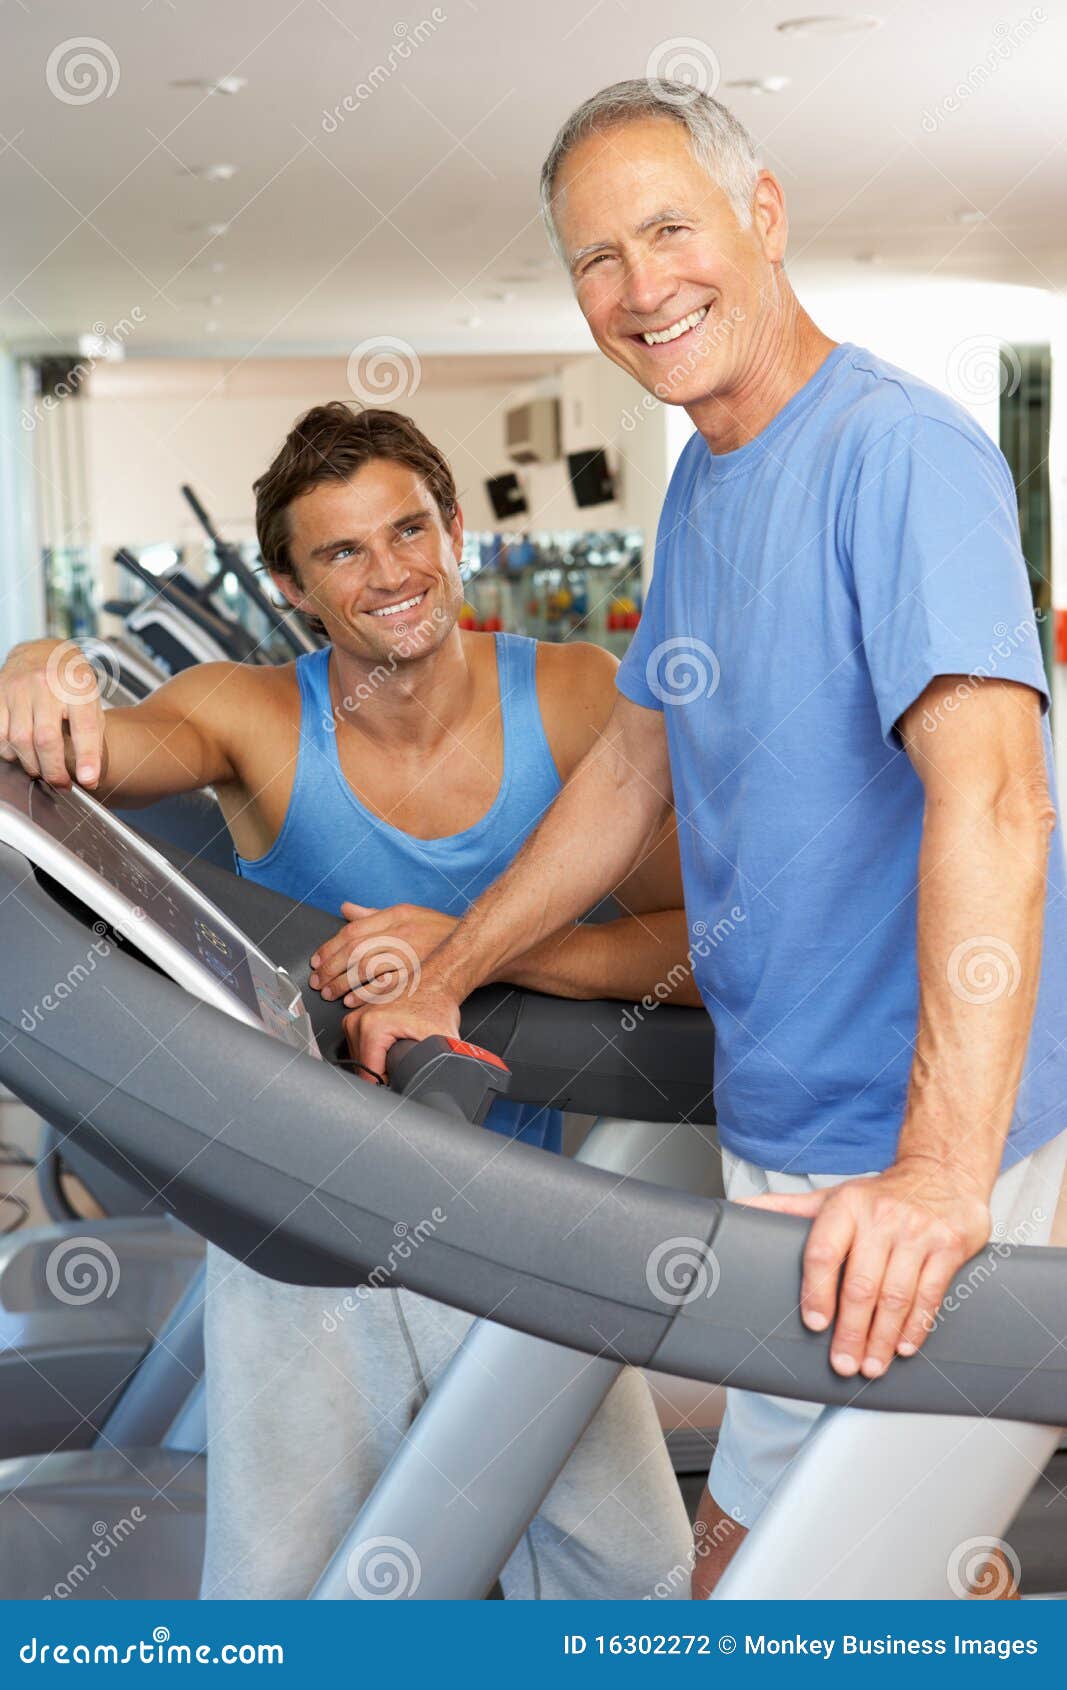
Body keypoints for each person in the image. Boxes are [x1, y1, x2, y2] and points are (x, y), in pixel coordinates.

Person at [348, 82, 1067, 1599]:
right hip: (781, 1119)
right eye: (594, 259)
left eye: (669, 229)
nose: (639, 286)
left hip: (916, 1147)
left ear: (762, 216)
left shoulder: (897, 453)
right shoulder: (703, 482)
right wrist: (453, 964)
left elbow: (997, 797)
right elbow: (632, 767)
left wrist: (937, 1174)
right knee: (749, 1570)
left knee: (817, 1585)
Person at [0, 401, 698, 1599]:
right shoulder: (251, 712)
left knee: (632, 1576)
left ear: (455, 530)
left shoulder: (577, 696)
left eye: (408, 529)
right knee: (282, 1590)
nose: (390, 572)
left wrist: (470, 955)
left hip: (513, 1215)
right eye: (342, 551)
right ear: (293, 586)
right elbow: (88, 753)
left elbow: (692, 948)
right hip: (304, 1222)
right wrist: (36, 665)